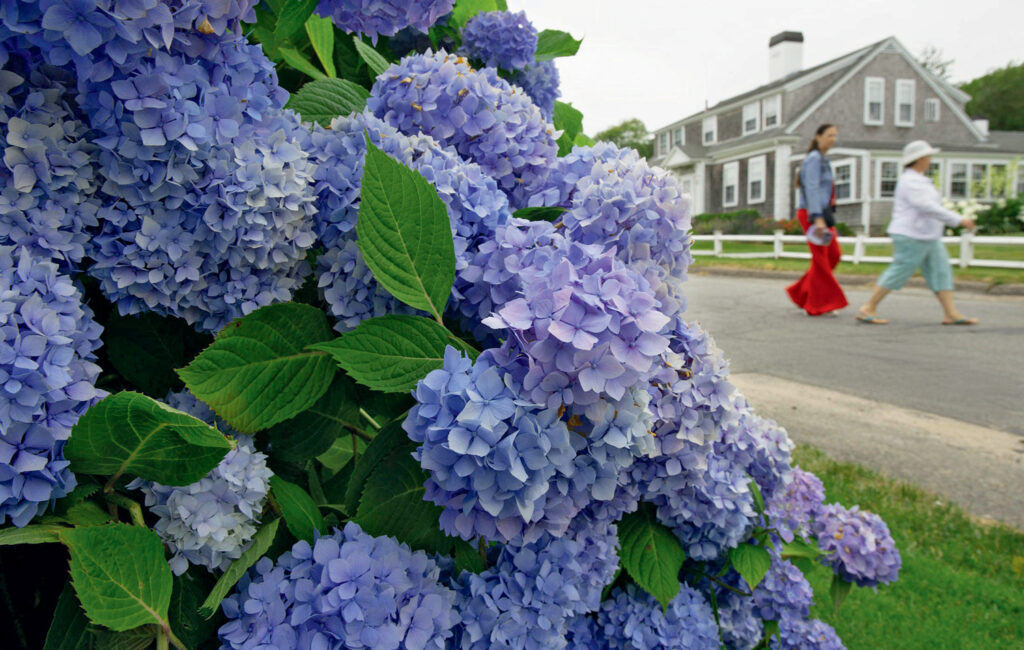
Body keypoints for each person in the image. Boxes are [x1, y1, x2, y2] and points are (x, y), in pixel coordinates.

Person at [856, 140, 978, 325]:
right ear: (919, 159)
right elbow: (926, 206)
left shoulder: (919, 180)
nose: (929, 160)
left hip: (927, 235)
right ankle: (868, 307)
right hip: (911, 234)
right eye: (927, 156)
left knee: (941, 270)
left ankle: (951, 313)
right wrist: (957, 219)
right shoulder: (911, 181)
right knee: (900, 270)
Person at [786, 124, 848, 316]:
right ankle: (818, 304)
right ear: (818, 137)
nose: (833, 139)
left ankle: (800, 292)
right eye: (829, 135)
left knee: (833, 254)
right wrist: (817, 218)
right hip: (812, 214)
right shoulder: (814, 159)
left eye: (835, 135)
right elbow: (812, 188)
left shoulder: (823, 159)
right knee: (821, 258)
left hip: (823, 213)